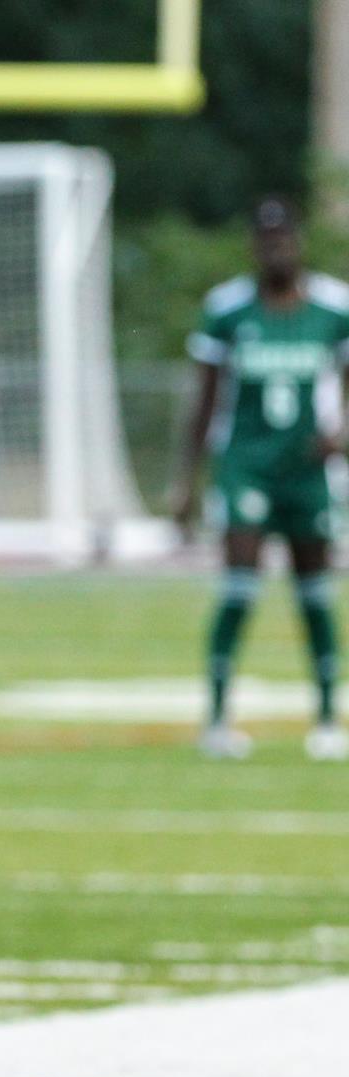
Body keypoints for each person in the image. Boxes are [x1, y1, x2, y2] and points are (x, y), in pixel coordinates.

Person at [172, 197, 347, 761]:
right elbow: (203, 400)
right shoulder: (228, 310)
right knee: (240, 587)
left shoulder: (332, 308)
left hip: (306, 471)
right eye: (266, 240)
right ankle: (218, 717)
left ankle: (326, 717)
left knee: (315, 593)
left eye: (285, 238)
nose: (276, 249)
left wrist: (340, 434)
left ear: (298, 242)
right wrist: (186, 482)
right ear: (254, 246)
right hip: (246, 465)